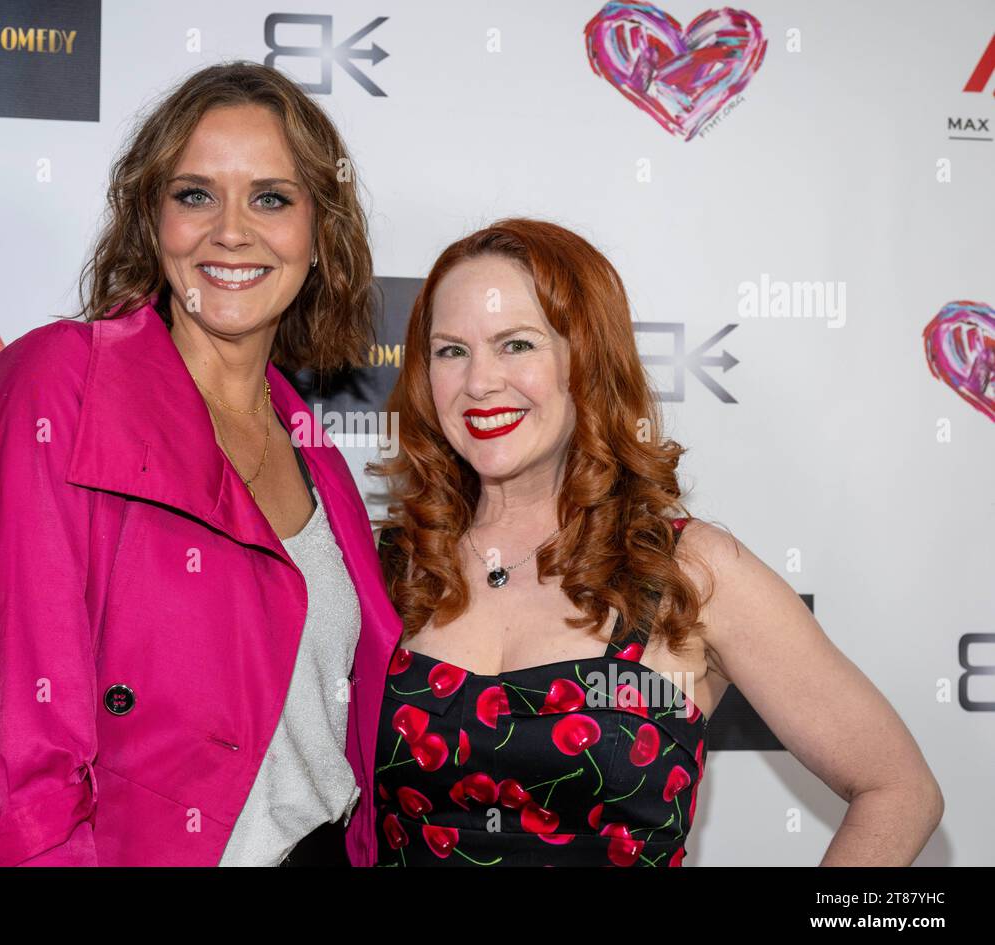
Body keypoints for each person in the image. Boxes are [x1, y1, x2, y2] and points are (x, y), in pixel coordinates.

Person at [0, 61, 404, 867]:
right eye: (195, 194)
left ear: (318, 237)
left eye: (272, 198)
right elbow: (12, 747)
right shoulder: (61, 387)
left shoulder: (316, 453)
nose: (232, 231)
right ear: (152, 220)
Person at [367, 218, 944, 866]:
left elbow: (900, 791)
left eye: (516, 345)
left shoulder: (689, 572)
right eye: (451, 351)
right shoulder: (381, 568)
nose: (479, 382)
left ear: (585, 359)